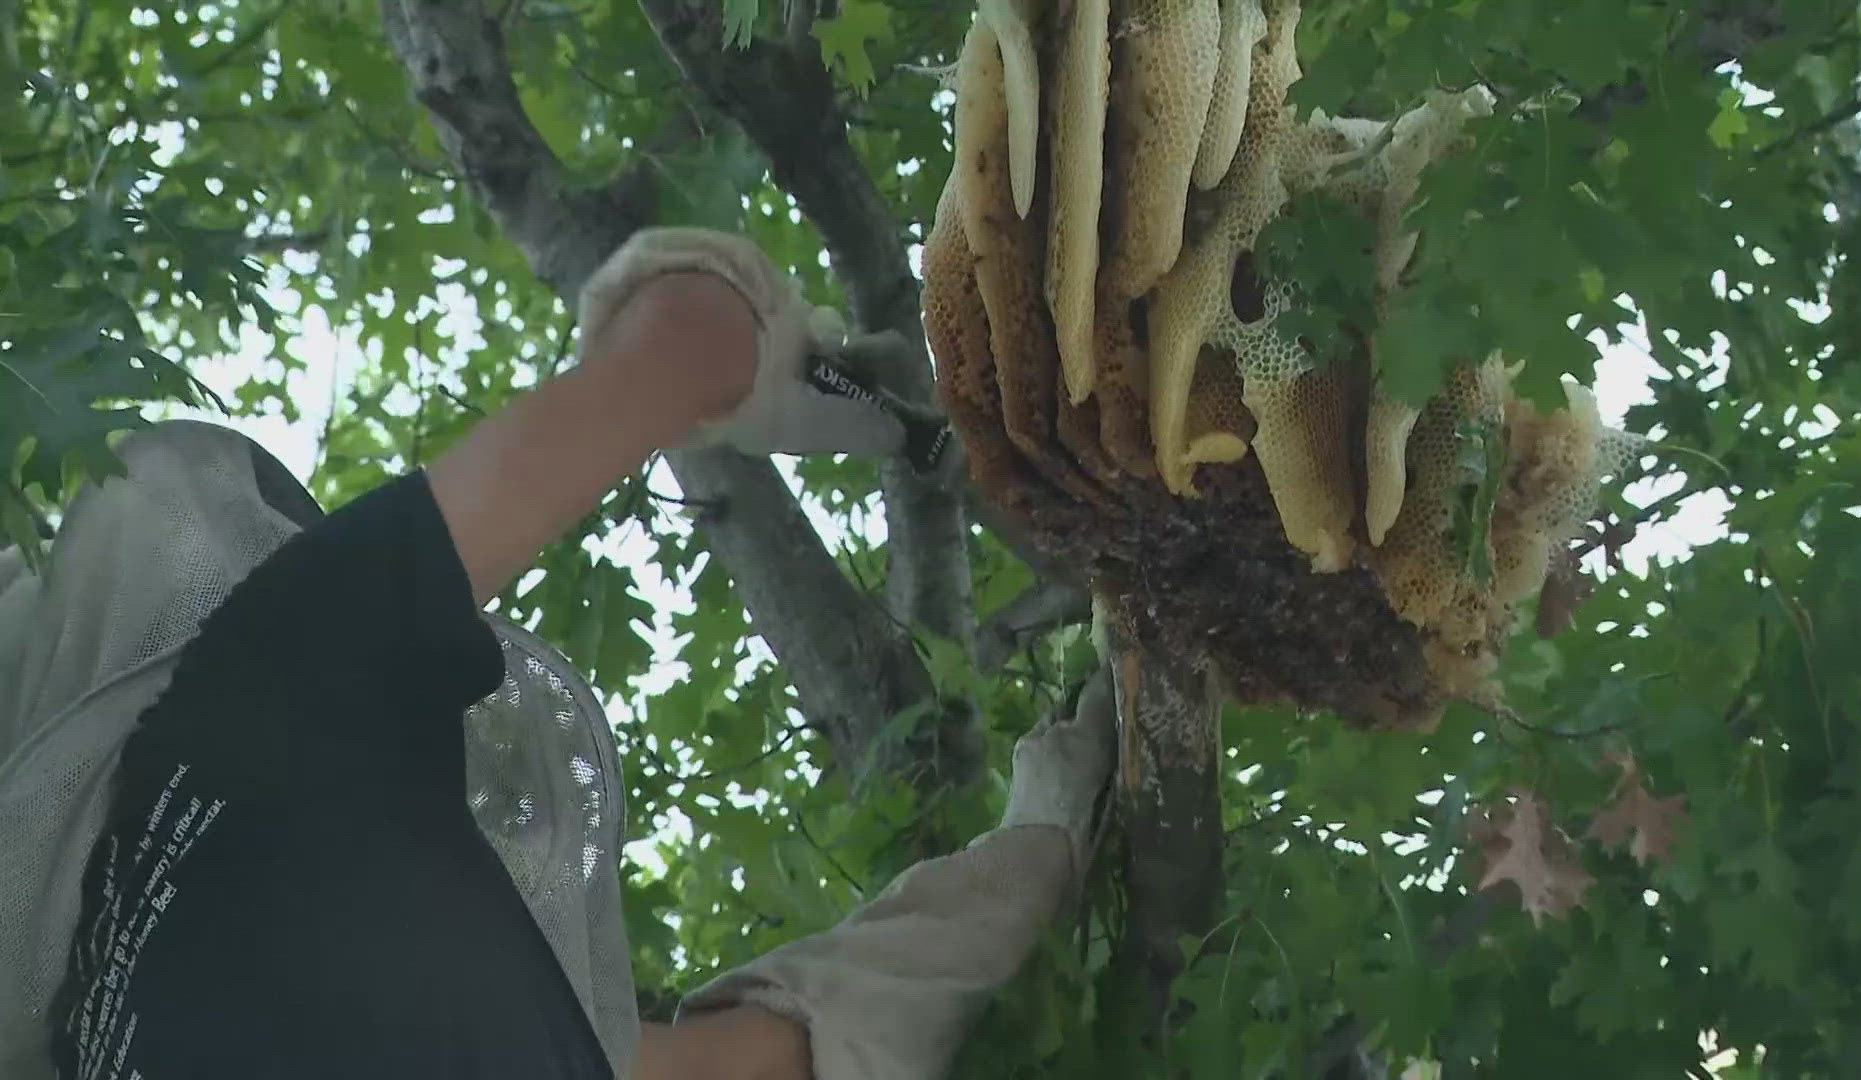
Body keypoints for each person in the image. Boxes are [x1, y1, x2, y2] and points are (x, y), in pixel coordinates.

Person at [0, 228, 1116, 1079]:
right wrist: (1038, 856)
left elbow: (756, 1057)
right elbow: (764, 1054)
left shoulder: (238, 779)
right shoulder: (246, 729)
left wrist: (1039, 858)